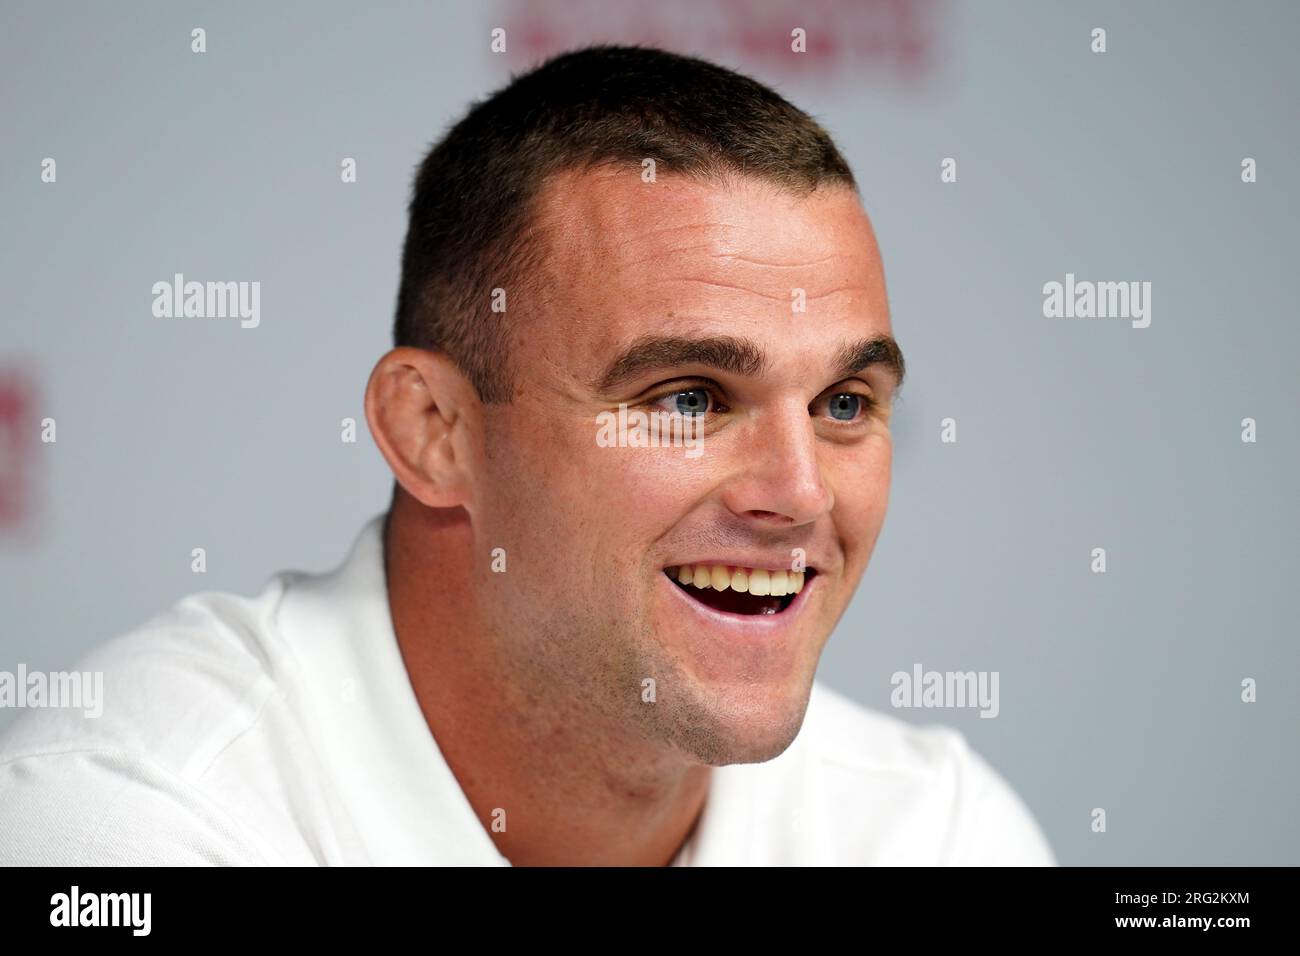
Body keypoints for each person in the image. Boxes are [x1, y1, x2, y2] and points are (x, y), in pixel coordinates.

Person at [0, 45, 1054, 866]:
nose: (798, 490)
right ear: (433, 431)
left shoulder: (933, 832)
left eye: (843, 401)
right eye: (687, 397)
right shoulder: (128, 826)